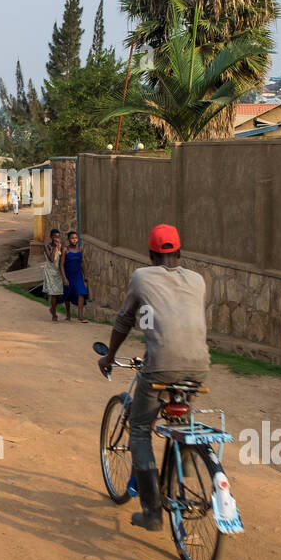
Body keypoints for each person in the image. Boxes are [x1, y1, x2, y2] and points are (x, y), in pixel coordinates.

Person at [97, 224, 208, 531]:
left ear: (150, 254)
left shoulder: (141, 277)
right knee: (184, 426)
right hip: (198, 367)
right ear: (180, 253)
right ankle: (181, 483)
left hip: (160, 366)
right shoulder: (197, 280)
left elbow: (124, 320)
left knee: (141, 428)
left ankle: (152, 511)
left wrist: (109, 356)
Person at [61, 231, 89, 322]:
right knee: (67, 294)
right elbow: (61, 265)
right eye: (72, 238)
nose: (74, 240)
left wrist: (85, 275)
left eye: (76, 238)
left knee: (81, 293)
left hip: (78, 275)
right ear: (68, 239)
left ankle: (80, 316)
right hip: (68, 275)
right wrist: (64, 278)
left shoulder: (80, 249)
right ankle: (68, 315)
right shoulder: (65, 250)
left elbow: (82, 262)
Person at [43, 229, 64, 321]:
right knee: (53, 293)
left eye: (58, 237)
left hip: (58, 271)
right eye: (55, 237)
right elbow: (51, 259)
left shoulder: (61, 246)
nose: (57, 239)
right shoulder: (47, 246)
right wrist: (55, 248)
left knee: (59, 294)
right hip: (50, 272)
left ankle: (52, 308)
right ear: (51, 237)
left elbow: (63, 259)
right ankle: (54, 314)